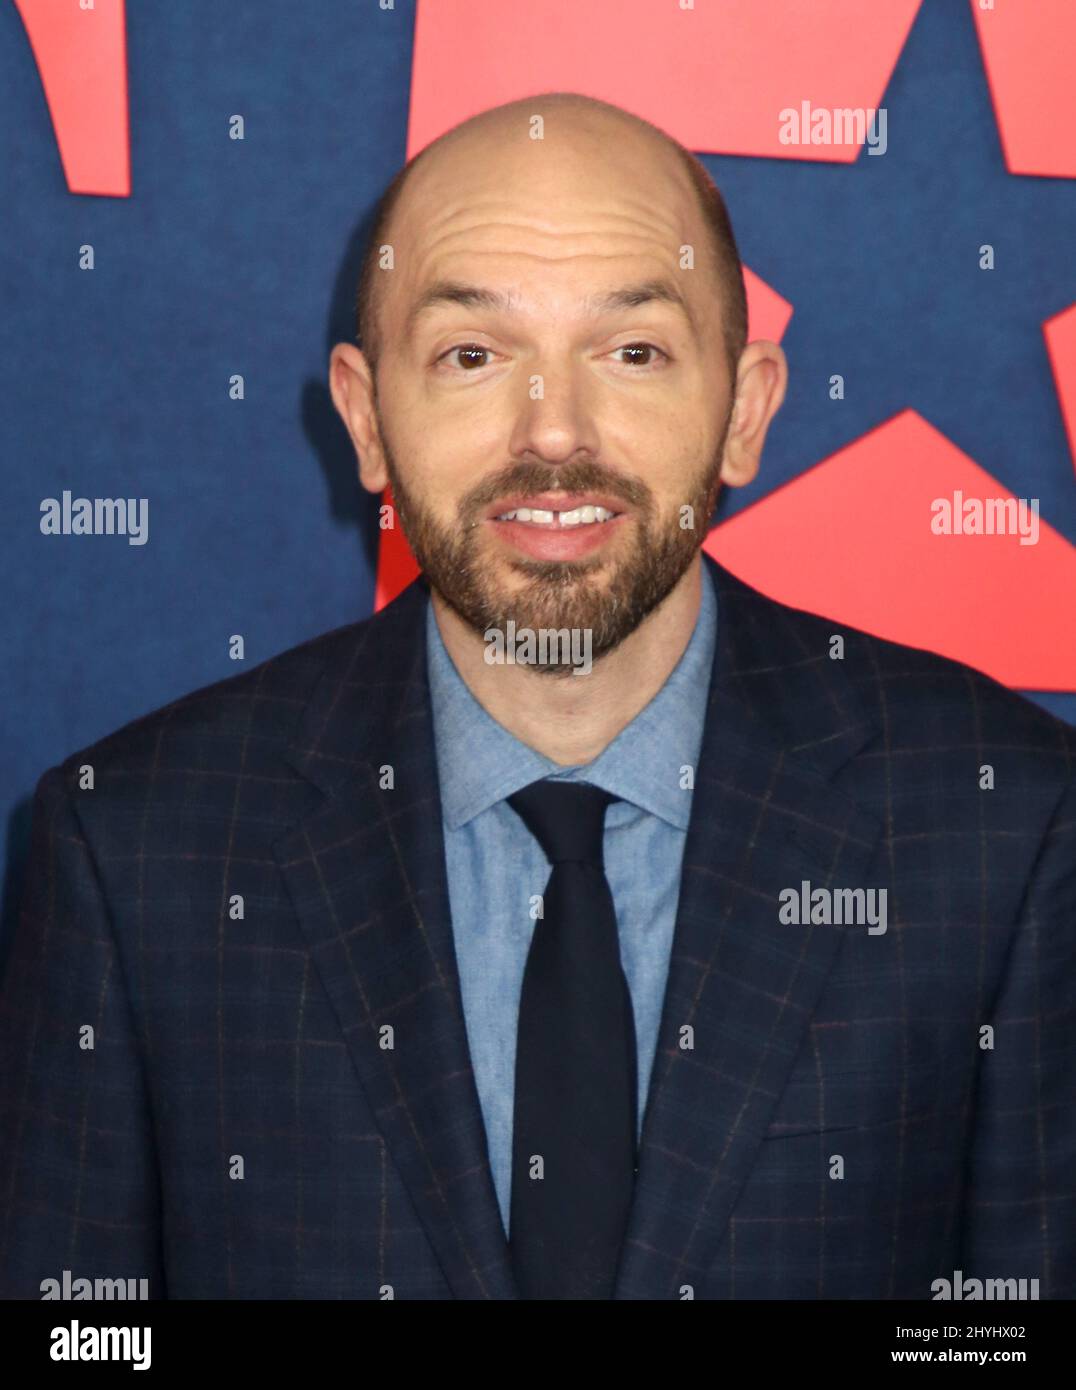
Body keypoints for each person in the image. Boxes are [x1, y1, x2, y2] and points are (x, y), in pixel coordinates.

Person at [1, 92, 1073, 1301]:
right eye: (471, 354)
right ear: (364, 419)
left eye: (631, 352)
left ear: (746, 408)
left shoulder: (1001, 829)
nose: (553, 431)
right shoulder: (135, 851)